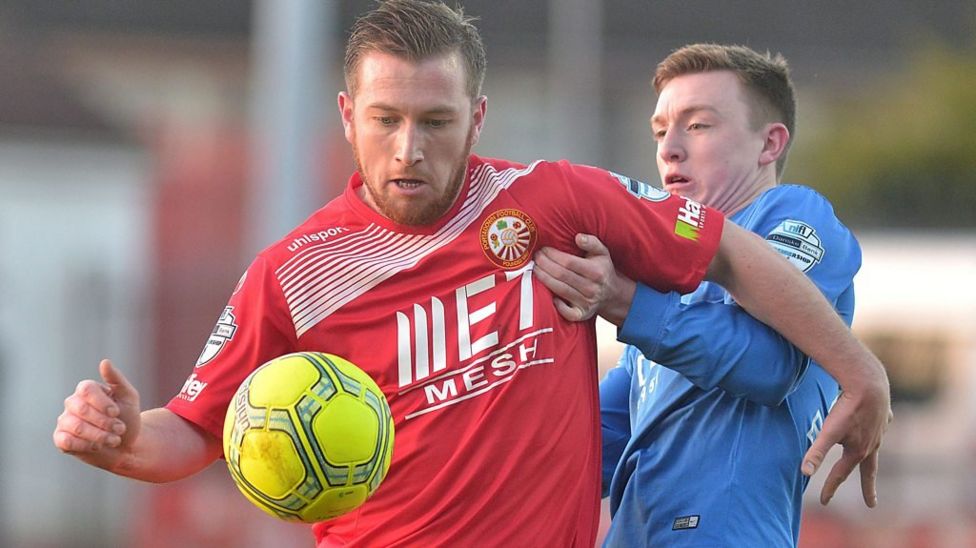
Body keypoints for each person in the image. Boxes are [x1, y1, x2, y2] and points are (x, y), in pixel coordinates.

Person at [53, 3, 889, 546]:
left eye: (436, 120)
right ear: (349, 117)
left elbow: (730, 252)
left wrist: (860, 370)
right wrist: (124, 440)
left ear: (477, 117)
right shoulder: (293, 274)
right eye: (385, 119)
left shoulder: (554, 197)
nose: (409, 148)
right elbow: (195, 428)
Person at [533, 43, 887, 546]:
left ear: (769, 145)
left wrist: (621, 299)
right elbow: (587, 448)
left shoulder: (795, 214)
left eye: (697, 125)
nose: (669, 148)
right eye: (660, 131)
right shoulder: (665, 283)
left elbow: (768, 365)